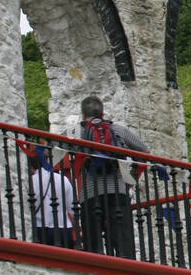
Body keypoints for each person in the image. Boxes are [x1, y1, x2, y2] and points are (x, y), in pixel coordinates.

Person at [77, 96, 149, 260]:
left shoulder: (77, 132)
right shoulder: (118, 130)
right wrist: (130, 179)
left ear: (83, 115)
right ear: (103, 113)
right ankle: (128, 269)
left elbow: (49, 149)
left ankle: (94, 270)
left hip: (89, 193)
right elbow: (144, 152)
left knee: (93, 244)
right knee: (122, 239)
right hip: (117, 190)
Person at [28, 154, 76, 249]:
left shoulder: (30, 182)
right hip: (63, 228)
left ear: (31, 165)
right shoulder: (63, 179)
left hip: (40, 228)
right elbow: (73, 209)